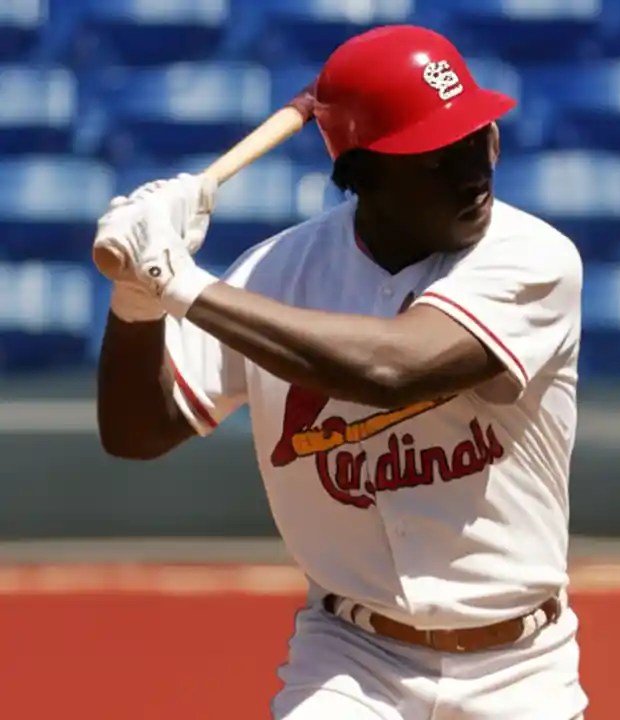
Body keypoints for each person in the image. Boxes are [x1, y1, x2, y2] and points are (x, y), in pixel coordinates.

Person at [94, 25, 587, 720]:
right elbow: (137, 430)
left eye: (480, 135)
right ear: (360, 175)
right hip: (354, 662)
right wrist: (135, 300)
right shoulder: (275, 275)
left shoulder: (533, 255)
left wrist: (178, 283)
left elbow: (390, 366)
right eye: (437, 154)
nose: (474, 168)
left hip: (520, 669)